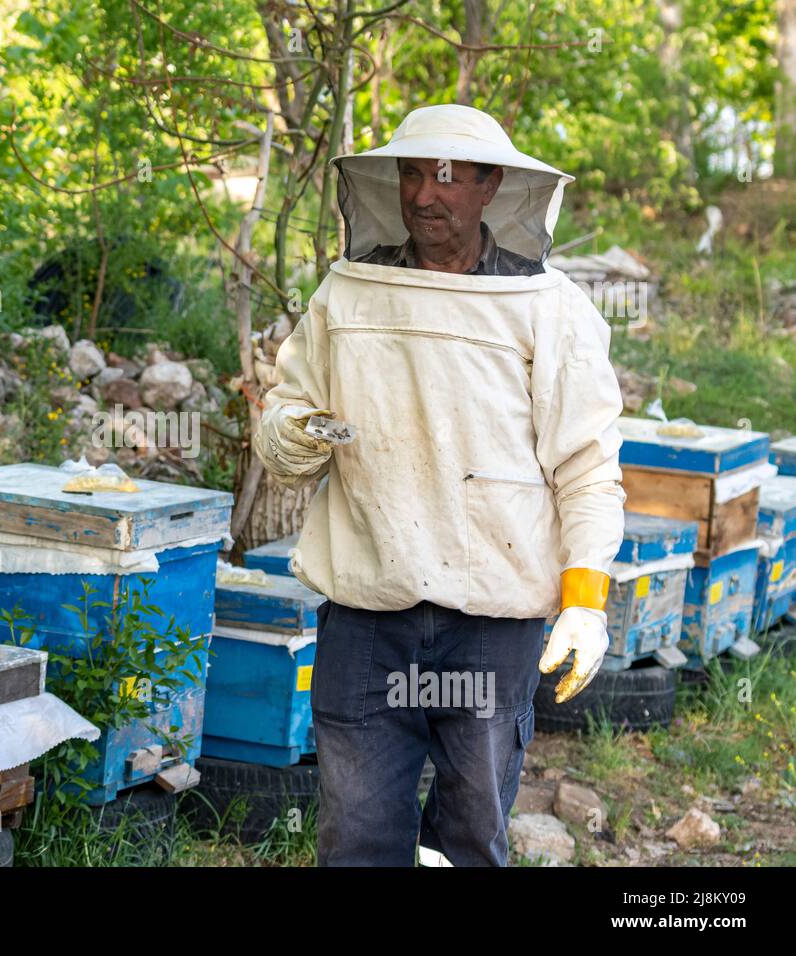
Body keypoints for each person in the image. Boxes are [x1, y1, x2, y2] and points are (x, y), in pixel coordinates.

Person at [252, 104, 626, 866]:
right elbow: (287, 418)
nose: (426, 195)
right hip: (366, 615)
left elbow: (585, 464)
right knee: (358, 837)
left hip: (491, 620)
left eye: (448, 178)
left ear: (491, 187)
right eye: (413, 174)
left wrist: (585, 599)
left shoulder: (549, 309)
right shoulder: (348, 294)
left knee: (467, 836)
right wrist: (291, 431)